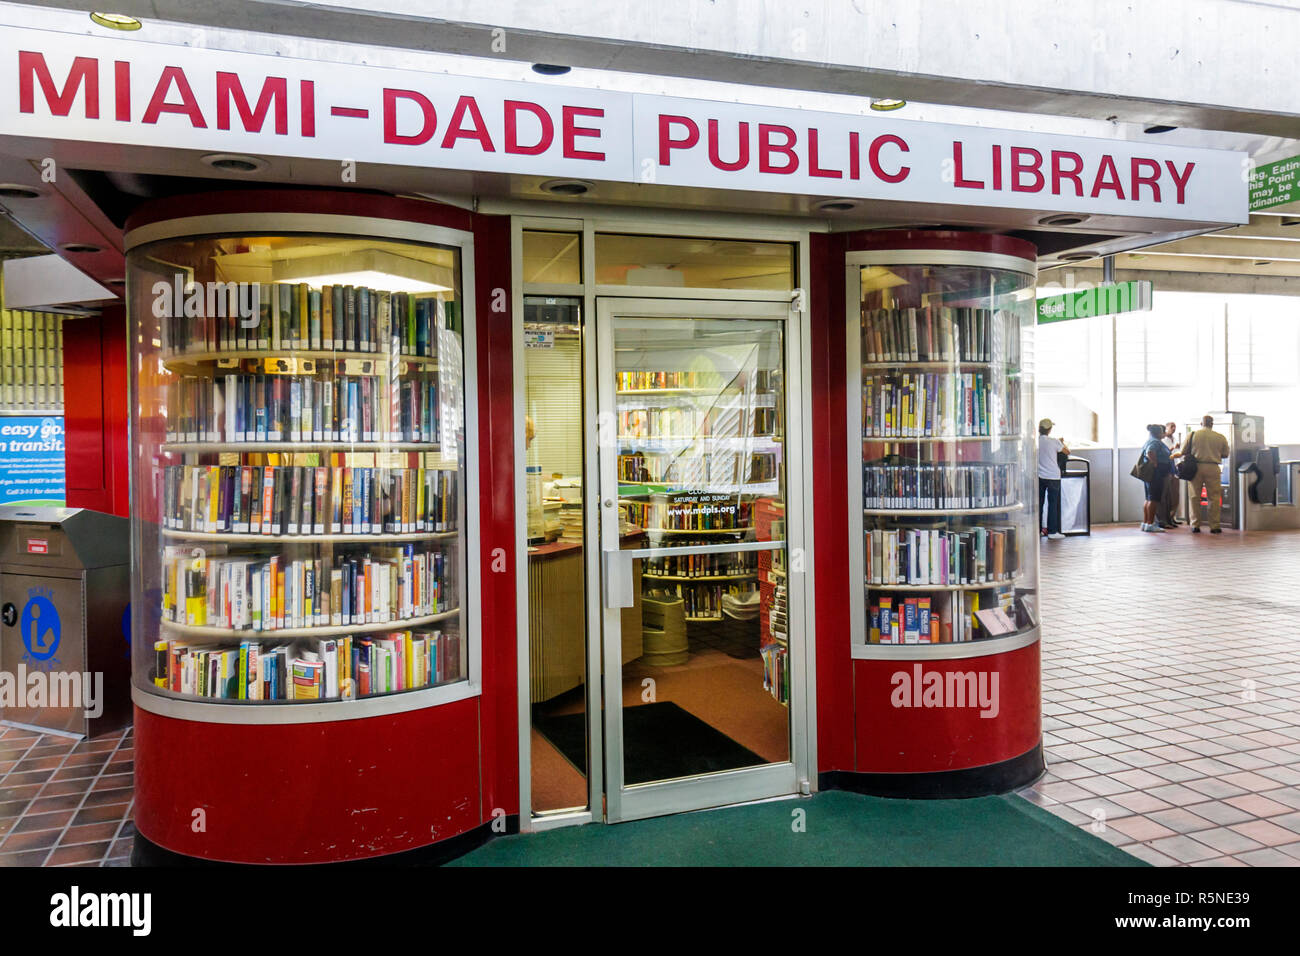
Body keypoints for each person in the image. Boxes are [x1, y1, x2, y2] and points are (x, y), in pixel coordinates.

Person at [1180, 415, 1230, 534]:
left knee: (1194, 497)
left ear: (1201, 423)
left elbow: (1183, 451)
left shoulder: (1192, 435)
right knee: (1214, 497)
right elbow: (1225, 454)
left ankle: (1195, 525)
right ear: (1212, 424)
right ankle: (1215, 526)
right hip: (1213, 467)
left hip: (1195, 467)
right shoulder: (1220, 437)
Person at [1037, 418, 1068, 540]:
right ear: (1049, 429)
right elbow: (1067, 451)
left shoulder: (1037, 442)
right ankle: (1052, 531)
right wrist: (1062, 442)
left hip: (1040, 476)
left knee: (1039, 504)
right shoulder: (1054, 441)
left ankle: (1038, 530)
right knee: (1053, 504)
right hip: (1053, 476)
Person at [1139, 423, 1173, 533]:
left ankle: (1145, 523)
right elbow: (1150, 452)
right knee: (1154, 499)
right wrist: (1155, 464)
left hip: (1151, 474)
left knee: (1149, 498)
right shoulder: (1155, 442)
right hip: (1156, 473)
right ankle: (1150, 524)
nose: (1163, 433)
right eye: (1161, 431)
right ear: (1158, 432)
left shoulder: (1150, 440)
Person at [1157, 420, 1182, 528]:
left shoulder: (1175, 439)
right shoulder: (1162, 441)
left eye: (1175, 426)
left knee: (1175, 495)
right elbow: (1166, 453)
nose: (1173, 429)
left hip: (1175, 468)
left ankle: (1172, 517)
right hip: (1167, 469)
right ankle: (1166, 519)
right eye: (1172, 426)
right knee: (1167, 495)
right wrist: (1174, 448)